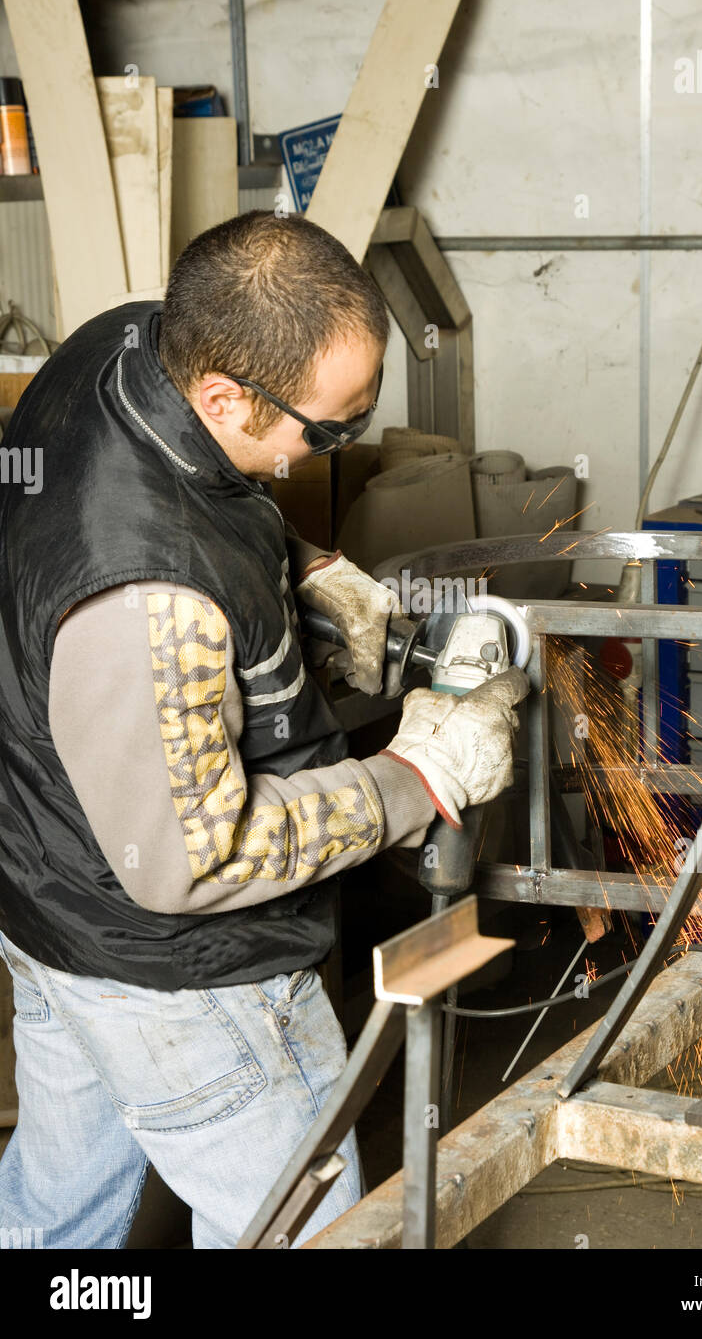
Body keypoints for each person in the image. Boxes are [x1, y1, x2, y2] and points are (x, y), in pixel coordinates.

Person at [0, 210, 527, 1248]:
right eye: (321, 432)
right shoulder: (147, 594)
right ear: (222, 392)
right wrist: (415, 776)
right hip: (178, 971)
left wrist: (308, 573)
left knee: (57, 1218)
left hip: (54, 905)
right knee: (304, 1229)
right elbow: (195, 859)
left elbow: (203, 492)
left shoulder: (126, 342)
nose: (320, 452)